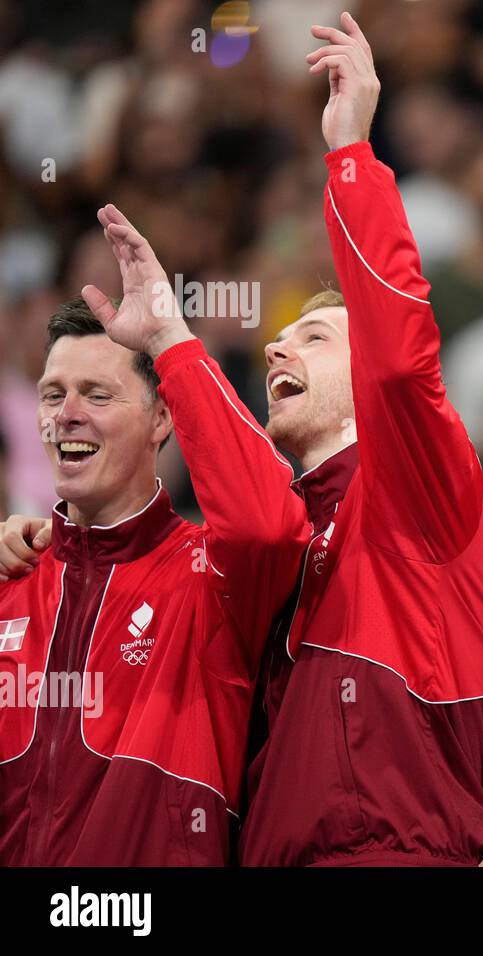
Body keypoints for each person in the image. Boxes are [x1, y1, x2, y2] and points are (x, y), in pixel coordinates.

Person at [236, 12, 483, 866]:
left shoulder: (420, 488)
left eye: (316, 338)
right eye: (283, 339)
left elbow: (399, 358)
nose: (278, 345)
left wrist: (351, 151)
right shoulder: (278, 533)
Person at [0, 207, 309, 865]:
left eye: (97, 395)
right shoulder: (14, 578)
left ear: (161, 418)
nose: (67, 415)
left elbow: (268, 522)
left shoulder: (209, 577)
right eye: (53, 395)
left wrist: (171, 338)